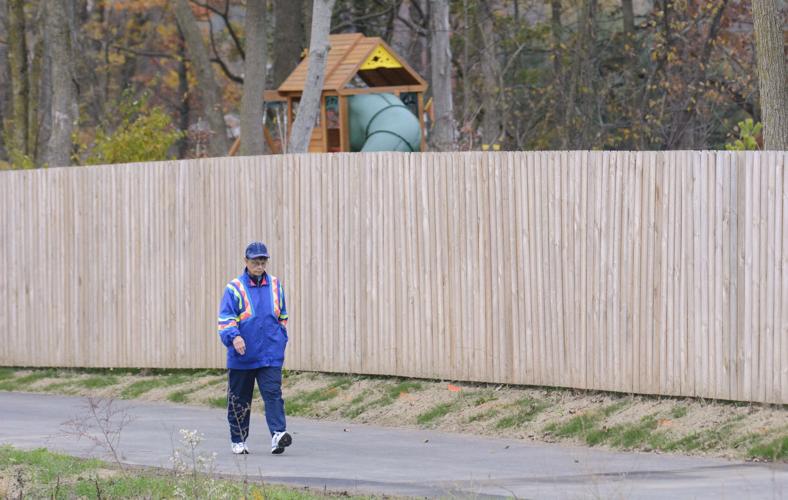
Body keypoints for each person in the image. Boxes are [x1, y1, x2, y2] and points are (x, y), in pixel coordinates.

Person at [217, 241, 292, 455]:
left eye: (262, 262)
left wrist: (280, 338)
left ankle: (278, 435)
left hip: (270, 353)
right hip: (242, 355)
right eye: (255, 262)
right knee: (239, 399)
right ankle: (238, 439)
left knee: (273, 394)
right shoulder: (234, 288)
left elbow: (283, 316)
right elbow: (226, 318)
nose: (259, 266)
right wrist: (234, 337)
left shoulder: (275, 285)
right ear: (246, 261)